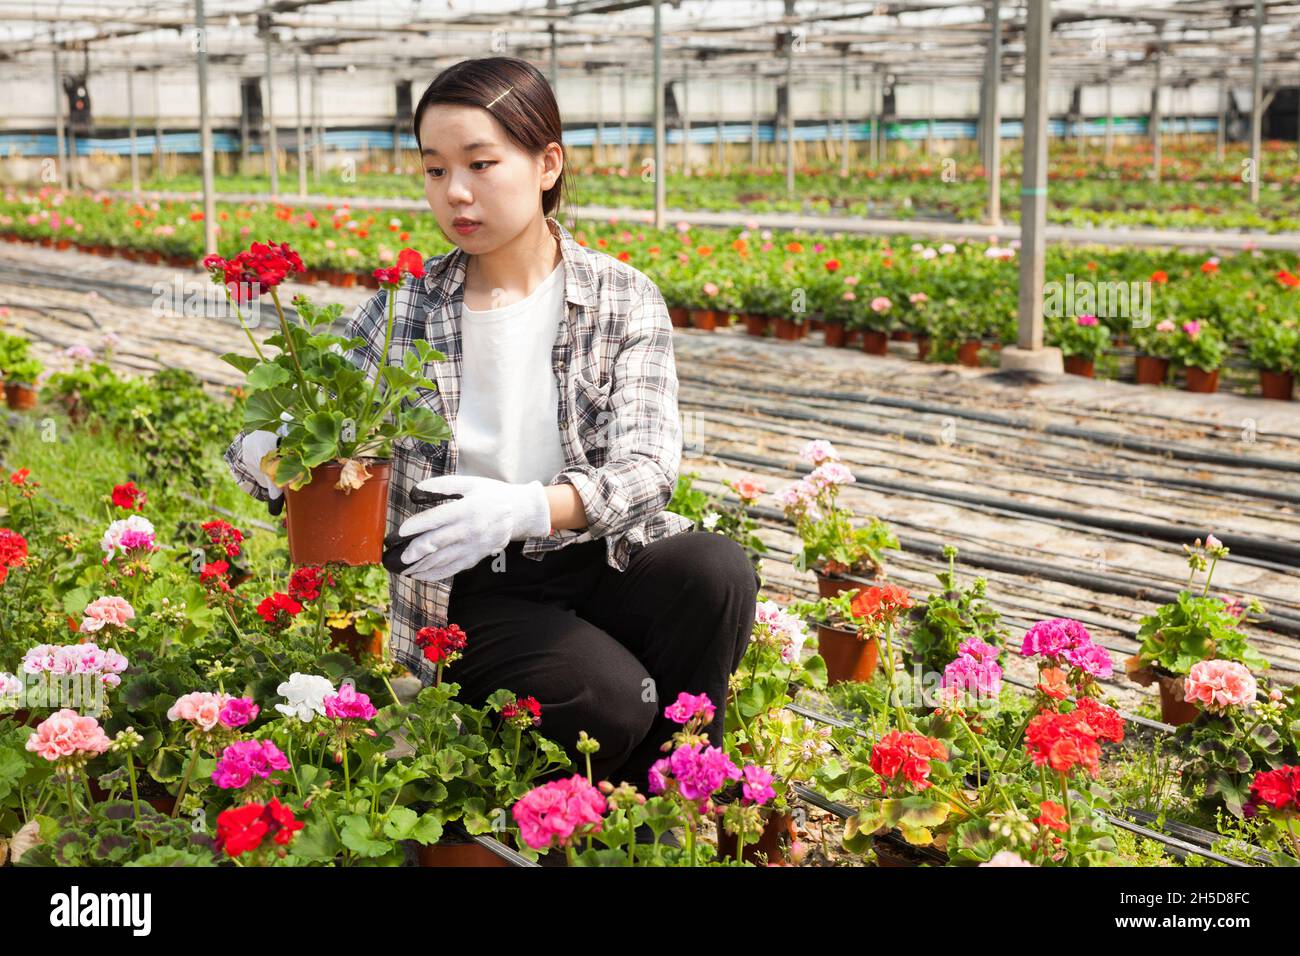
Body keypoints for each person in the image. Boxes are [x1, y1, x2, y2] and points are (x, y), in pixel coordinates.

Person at [224, 56, 758, 795]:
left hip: (598, 557)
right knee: (604, 697)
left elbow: (648, 467)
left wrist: (530, 508)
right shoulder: (403, 310)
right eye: (435, 170)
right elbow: (297, 430)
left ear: (547, 163)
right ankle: (615, 796)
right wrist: (268, 449)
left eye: (480, 163)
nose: (457, 193)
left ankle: (680, 788)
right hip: (473, 590)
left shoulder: (620, 297)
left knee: (714, 571)